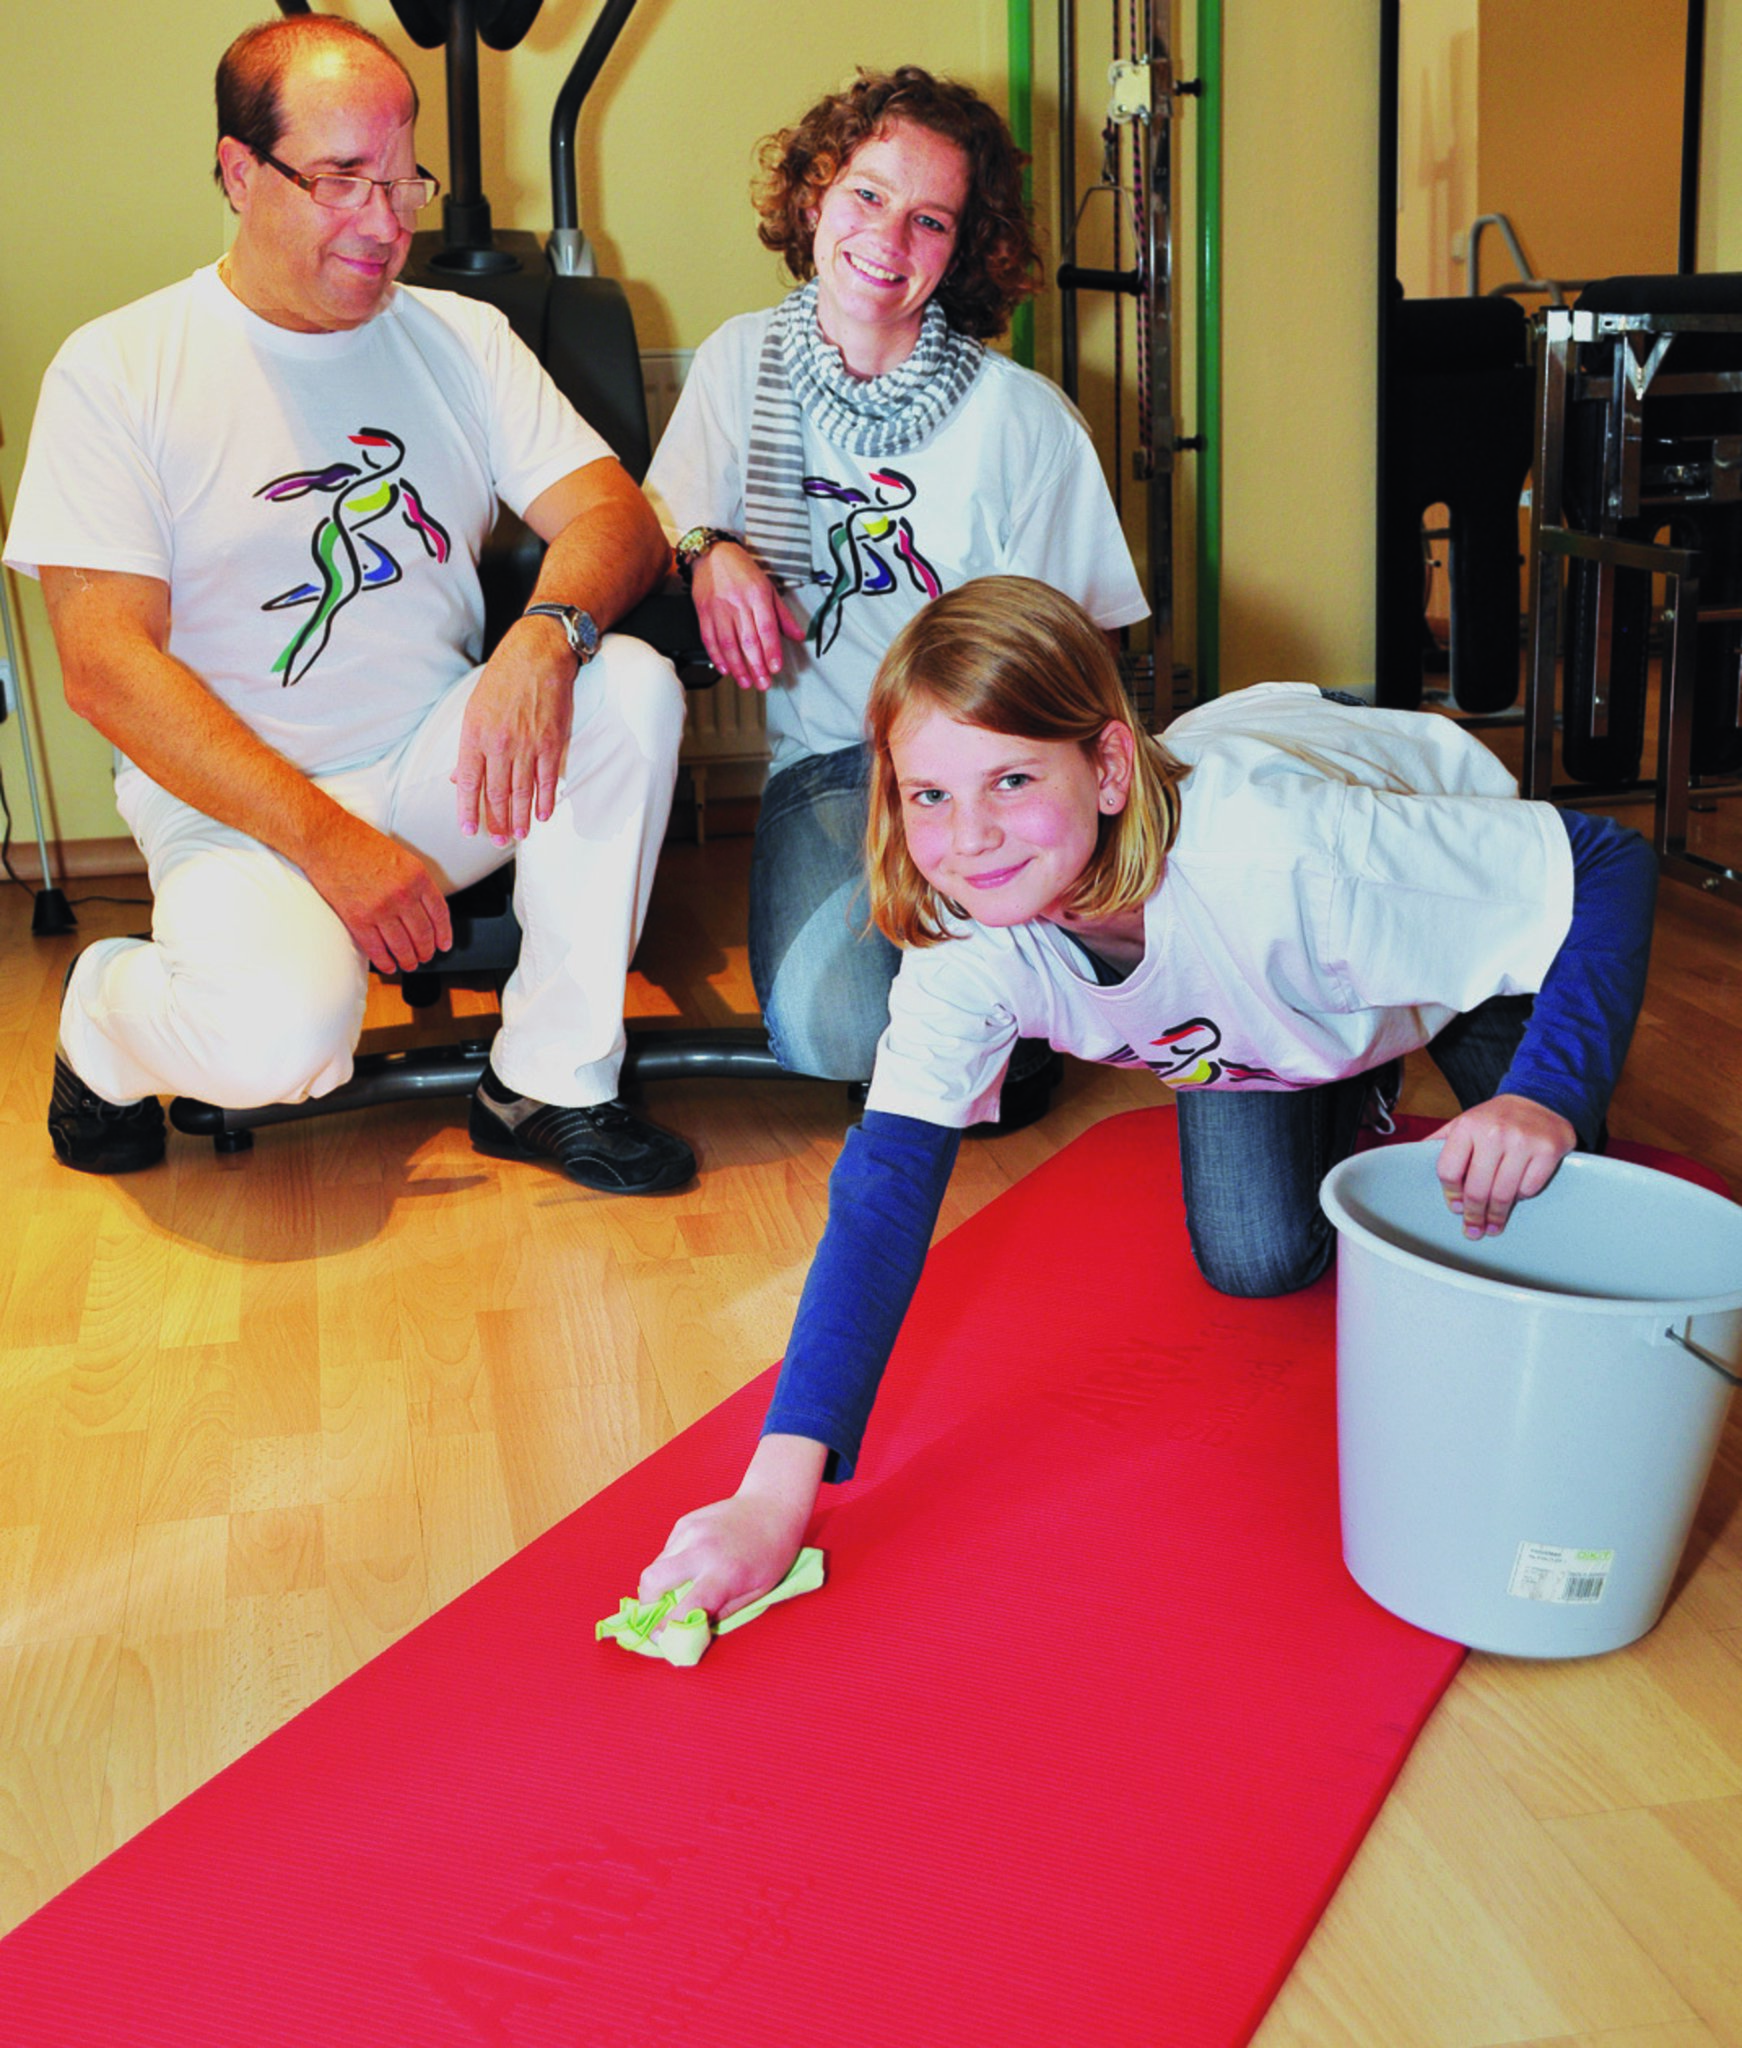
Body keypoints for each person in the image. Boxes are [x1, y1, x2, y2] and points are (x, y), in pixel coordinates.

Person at [640, 574, 1658, 1621]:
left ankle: (1416, 1029)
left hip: (1424, 881)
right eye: (928, 795)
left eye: (1010, 779)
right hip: (1290, 969)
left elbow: (1606, 865)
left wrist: (1546, 1095)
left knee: (1548, 1228)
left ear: (1108, 768)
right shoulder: (968, 938)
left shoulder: (1290, 859)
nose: (969, 838)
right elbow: (884, 1190)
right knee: (1253, 1257)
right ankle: (1354, 1066)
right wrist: (769, 1497)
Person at [5, 14, 694, 1194]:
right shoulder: (120, 369)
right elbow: (105, 666)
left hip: (428, 762)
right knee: (276, 1049)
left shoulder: (459, 340)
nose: (387, 223)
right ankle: (103, 1017)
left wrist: (546, 632)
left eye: (401, 179)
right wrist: (332, 846)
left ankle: (548, 1080)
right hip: (233, 806)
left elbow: (618, 519)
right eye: (340, 182)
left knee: (622, 683)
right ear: (238, 172)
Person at [643, 67, 1146, 1086]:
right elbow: (651, 527)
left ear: (961, 251)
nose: (886, 238)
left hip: (991, 771)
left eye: (929, 221)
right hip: (833, 765)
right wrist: (709, 549)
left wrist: (1007, 804)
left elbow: (1077, 663)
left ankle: (1008, 989)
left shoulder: (1020, 419)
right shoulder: (739, 366)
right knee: (828, 1032)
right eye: (867, 195)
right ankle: (992, 997)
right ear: (815, 196)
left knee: (1028, 1048)